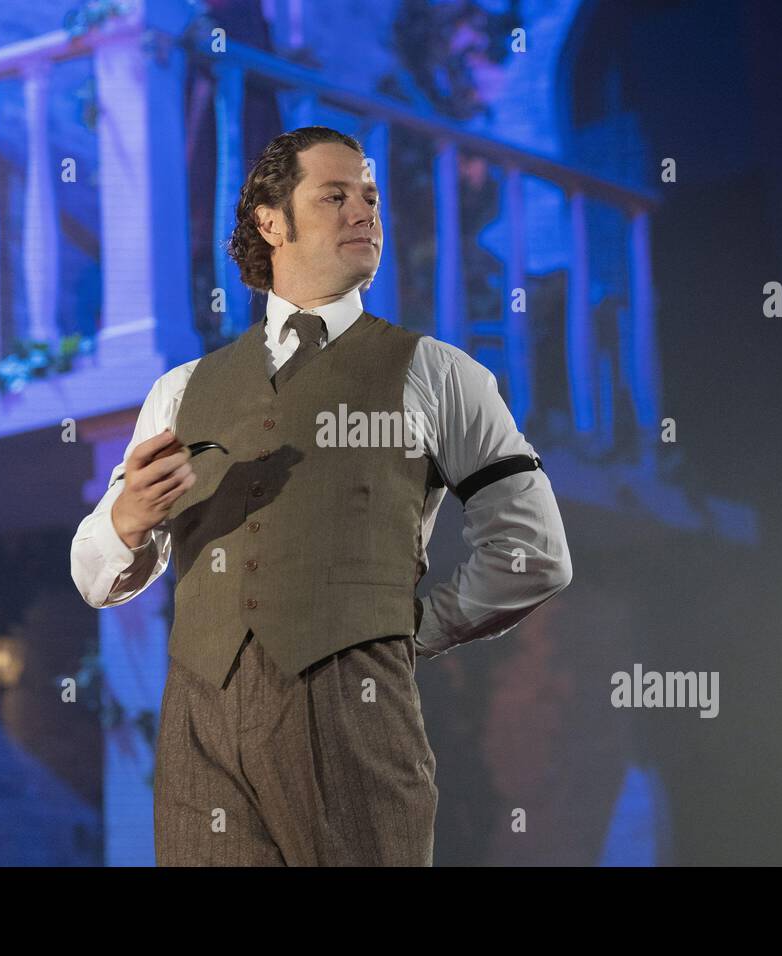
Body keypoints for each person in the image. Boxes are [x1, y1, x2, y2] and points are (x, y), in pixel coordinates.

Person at [70, 126, 572, 866]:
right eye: (334, 196)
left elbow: (535, 552)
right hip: (200, 727)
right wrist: (129, 520)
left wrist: (416, 630)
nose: (363, 212)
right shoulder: (180, 392)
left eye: (368, 197)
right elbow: (94, 573)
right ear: (271, 222)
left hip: (356, 723)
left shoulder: (439, 374)